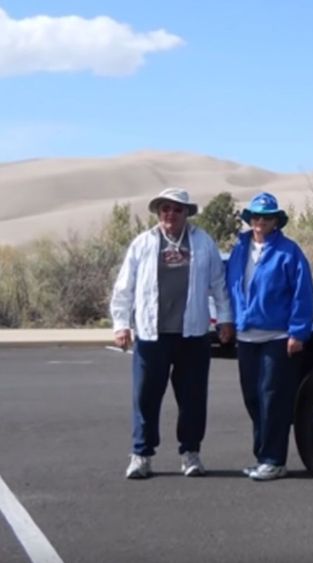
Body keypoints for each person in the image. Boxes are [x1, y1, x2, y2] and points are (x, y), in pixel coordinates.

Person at [110, 187, 234, 479]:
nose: (171, 214)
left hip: (193, 334)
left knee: (192, 398)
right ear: (158, 212)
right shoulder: (143, 243)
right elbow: (124, 287)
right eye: (165, 208)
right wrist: (121, 324)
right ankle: (141, 455)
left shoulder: (203, 243)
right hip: (152, 334)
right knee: (145, 397)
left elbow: (219, 285)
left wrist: (225, 320)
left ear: (186, 213)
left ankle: (190, 453)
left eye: (177, 209)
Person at [226, 192, 313, 481]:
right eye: (255, 216)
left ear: (276, 221)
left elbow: (303, 293)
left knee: (273, 398)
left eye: (266, 217)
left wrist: (298, 331)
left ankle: (274, 459)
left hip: (278, 337)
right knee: (253, 397)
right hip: (247, 335)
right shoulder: (240, 249)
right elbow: (230, 287)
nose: (259, 222)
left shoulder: (289, 252)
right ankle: (262, 456)